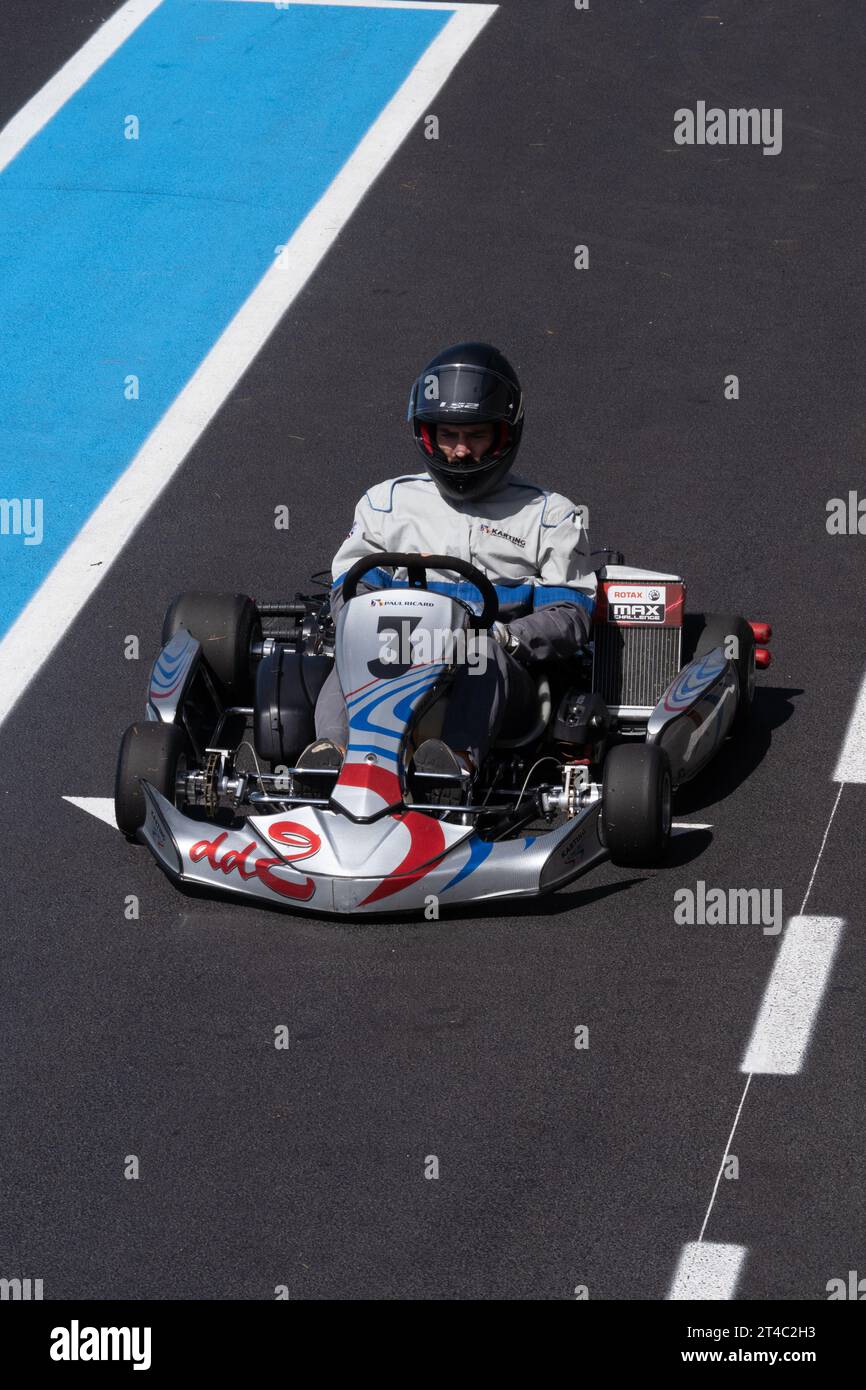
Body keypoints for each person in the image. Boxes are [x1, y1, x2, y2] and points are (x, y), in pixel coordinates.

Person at [296, 342, 597, 787]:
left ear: (504, 435)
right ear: (426, 434)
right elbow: (351, 590)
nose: (459, 452)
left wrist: (508, 636)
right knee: (355, 640)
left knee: (478, 650)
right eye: (448, 435)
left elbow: (571, 618)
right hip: (400, 651)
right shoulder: (387, 503)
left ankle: (455, 766)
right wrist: (369, 624)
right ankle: (337, 755)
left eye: (475, 435)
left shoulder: (549, 515)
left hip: (502, 676)